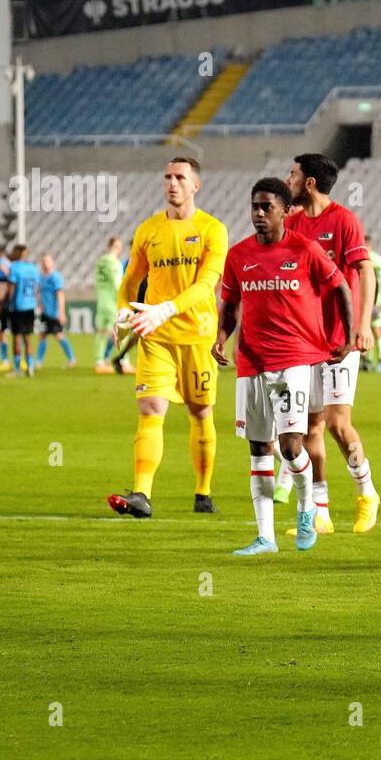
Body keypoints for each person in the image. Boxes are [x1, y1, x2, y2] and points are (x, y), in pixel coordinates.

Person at [215, 177, 354, 556]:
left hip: (294, 360)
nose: (259, 214)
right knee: (259, 449)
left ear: (285, 211)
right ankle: (266, 537)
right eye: (254, 207)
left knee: (291, 446)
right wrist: (220, 336)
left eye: (267, 208)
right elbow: (229, 303)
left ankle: (306, 506)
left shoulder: (305, 249)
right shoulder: (238, 255)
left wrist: (348, 337)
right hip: (251, 362)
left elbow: (341, 287)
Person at [106, 157, 229, 518]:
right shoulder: (149, 230)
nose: (172, 183)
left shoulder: (213, 230)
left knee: (201, 411)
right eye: (167, 177)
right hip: (156, 336)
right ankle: (141, 493)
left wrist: (166, 309)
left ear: (196, 185)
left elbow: (207, 284)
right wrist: (123, 310)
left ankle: (203, 491)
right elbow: (131, 279)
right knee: (150, 409)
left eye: (180, 177)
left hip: (197, 335)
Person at [274, 154, 379, 535]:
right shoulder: (292, 225)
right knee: (309, 428)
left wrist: (363, 324)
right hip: (304, 342)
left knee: (338, 424)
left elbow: (364, 272)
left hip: (339, 339)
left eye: (292, 174)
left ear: (311, 183)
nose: (288, 180)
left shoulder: (343, 221)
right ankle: (320, 511)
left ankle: (367, 493)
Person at [35, 252, 76, 370]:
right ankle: (38, 361)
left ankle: (72, 358)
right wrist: (39, 305)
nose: (45, 263)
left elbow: (60, 295)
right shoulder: (40, 277)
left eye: (47, 261)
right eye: (43, 261)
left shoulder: (55, 277)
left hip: (54, 312)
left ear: (52, 262)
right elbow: (38, 293)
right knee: (42, 335)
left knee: (59, 335)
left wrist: (61, 312)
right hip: (44, 313)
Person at [6, 244, 40, 378]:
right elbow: (36, 287)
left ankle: (17, 368)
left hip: (18, 306)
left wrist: (6, 302)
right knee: (27, 338)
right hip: (31, 306)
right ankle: (30, 368)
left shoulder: (14, 267)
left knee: (16, 337)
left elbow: (11, 288)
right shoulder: (33, 268)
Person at [94, 237, 125, 373]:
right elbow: (116, 284)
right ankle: (123, 361)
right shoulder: (114, 263)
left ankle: (100, 362)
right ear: (117, 247)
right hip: (112, 302)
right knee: (121, 331)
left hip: (101, 301)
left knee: (101, 332)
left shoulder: (100, 261)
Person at [362, 233, 381, 374]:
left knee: (377, 330)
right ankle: (368, 360)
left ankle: (380, 360)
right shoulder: (361, 259)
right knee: (365, 329)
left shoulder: (377, 261)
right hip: (364, 302)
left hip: (377, 303)